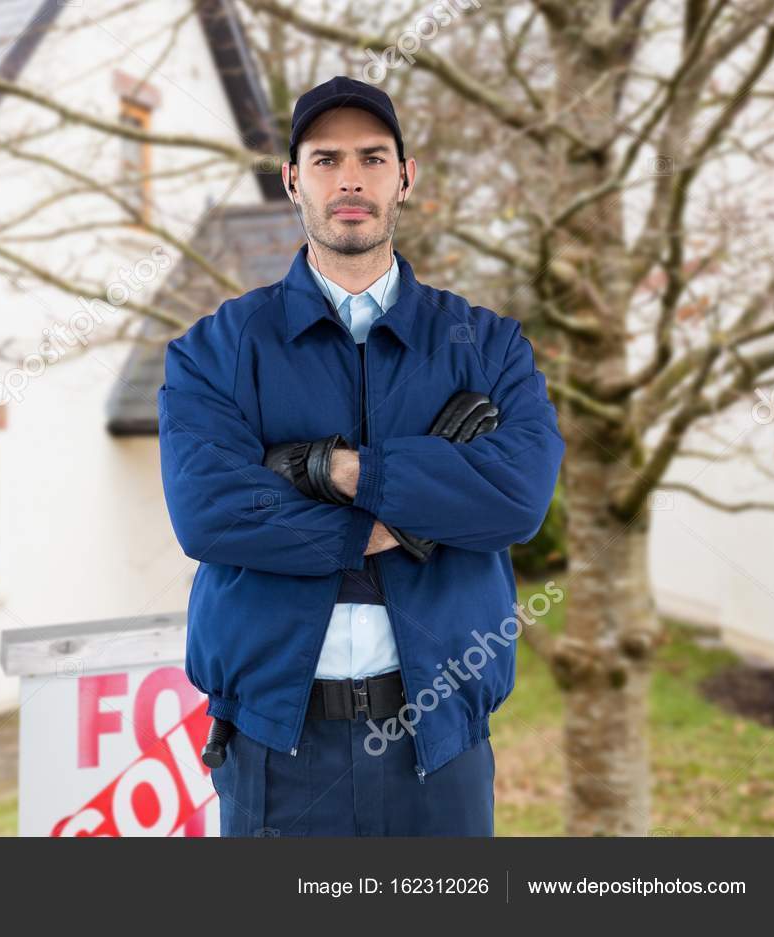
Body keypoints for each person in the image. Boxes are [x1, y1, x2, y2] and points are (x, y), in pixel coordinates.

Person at [158, 76, 565, 836]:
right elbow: (209, 512)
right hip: (275, 754)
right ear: (291, 179)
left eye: (374, 158)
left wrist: (340, 471)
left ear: (405, 178)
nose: (350, 178)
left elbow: (518, 497)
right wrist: (405, 518)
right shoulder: (215, 351)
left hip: (439, 755)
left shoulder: (489, 346)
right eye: (325, 159)